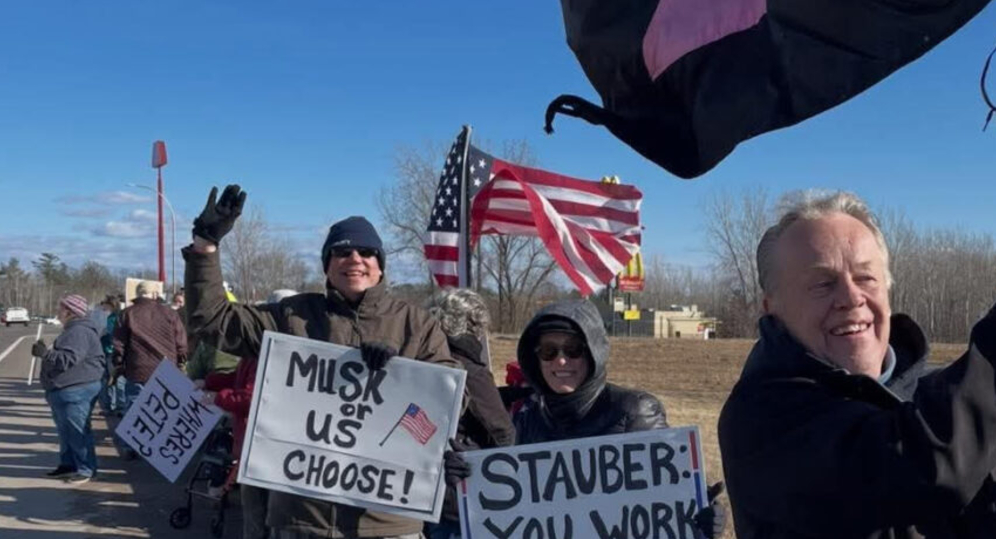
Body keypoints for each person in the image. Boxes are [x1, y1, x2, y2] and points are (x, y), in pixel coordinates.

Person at [719, 191, 996, 538]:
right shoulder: (762, 417)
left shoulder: (942, 397)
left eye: (866, 278)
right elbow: (925, 471)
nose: (850, 298)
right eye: (822, 283)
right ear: (772, 309)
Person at [183, 184, 458, 539]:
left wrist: (401, 374)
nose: (355, 259)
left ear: (380, 266)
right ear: (328, 264)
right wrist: (205, 245)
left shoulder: (416, 324)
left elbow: (450, 396)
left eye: (367, 252)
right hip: (302, 516)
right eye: (342, 251)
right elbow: (210, 321)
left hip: (385, 520)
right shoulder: (291, 316)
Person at [445, 299, 726, 539]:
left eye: (573, 349)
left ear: (593, 353)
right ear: (536, 359)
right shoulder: (527, 416)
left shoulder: (634, 410)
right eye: (548, 351)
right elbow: (518, 508)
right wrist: (473, 477)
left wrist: (697, 517)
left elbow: (662, 504)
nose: (561, 361)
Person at [200, 288, 298, 539]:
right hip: (252, 444)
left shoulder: (283, 355)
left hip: (269, 447)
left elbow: (256, 397)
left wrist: (218, 397)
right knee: (254, 510)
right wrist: (210, 382)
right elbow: (240, 379)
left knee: (265, 515)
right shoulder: (257, 349)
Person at [423, 288, 515, 539]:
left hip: (429, 493)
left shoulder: (426, 361)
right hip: (462, 500)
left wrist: (507, 394)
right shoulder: (467, 368)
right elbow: (502, 431)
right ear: (474, 324)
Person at [33, 294, 106, 484]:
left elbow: (68, 359)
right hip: (66, 388)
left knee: (77, 430)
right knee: (66, 431)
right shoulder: (73, 330)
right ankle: (69, 464)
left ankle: (85, 468)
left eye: (60, 308)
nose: (58, 312)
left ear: (69, 312)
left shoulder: (79, 331)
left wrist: (46, 354)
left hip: (76, 388)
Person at [114, 281, 188, 458]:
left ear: (138, 295)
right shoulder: (170, 313)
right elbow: (181, 343)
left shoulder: (127, 314)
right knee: (163, 410)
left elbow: (119, 344)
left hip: (138, 368)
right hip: (166, 369)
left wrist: (118, 364)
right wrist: (181, 361)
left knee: (134, 408)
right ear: (155, 295)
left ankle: (132, 446)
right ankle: (162, 447)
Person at [95, 296, 125, 417]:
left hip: (113, 351)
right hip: (105, 350)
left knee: (117, 380)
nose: (103, 308)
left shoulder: (116, 317)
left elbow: (115, 334)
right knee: (106, 380)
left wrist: (105, 333)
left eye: (105, 305)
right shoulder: (107, 317)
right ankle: (109, 406)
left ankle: (120, 407)